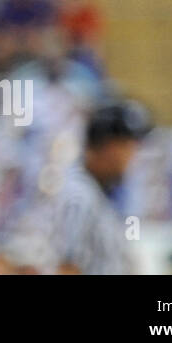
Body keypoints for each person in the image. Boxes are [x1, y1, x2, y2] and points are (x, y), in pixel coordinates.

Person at [51, 100, 151, 274]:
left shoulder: (98, 191)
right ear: (108, 147)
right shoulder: (78, 196)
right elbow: (67, 268)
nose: (131, 156)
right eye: (127, 146)